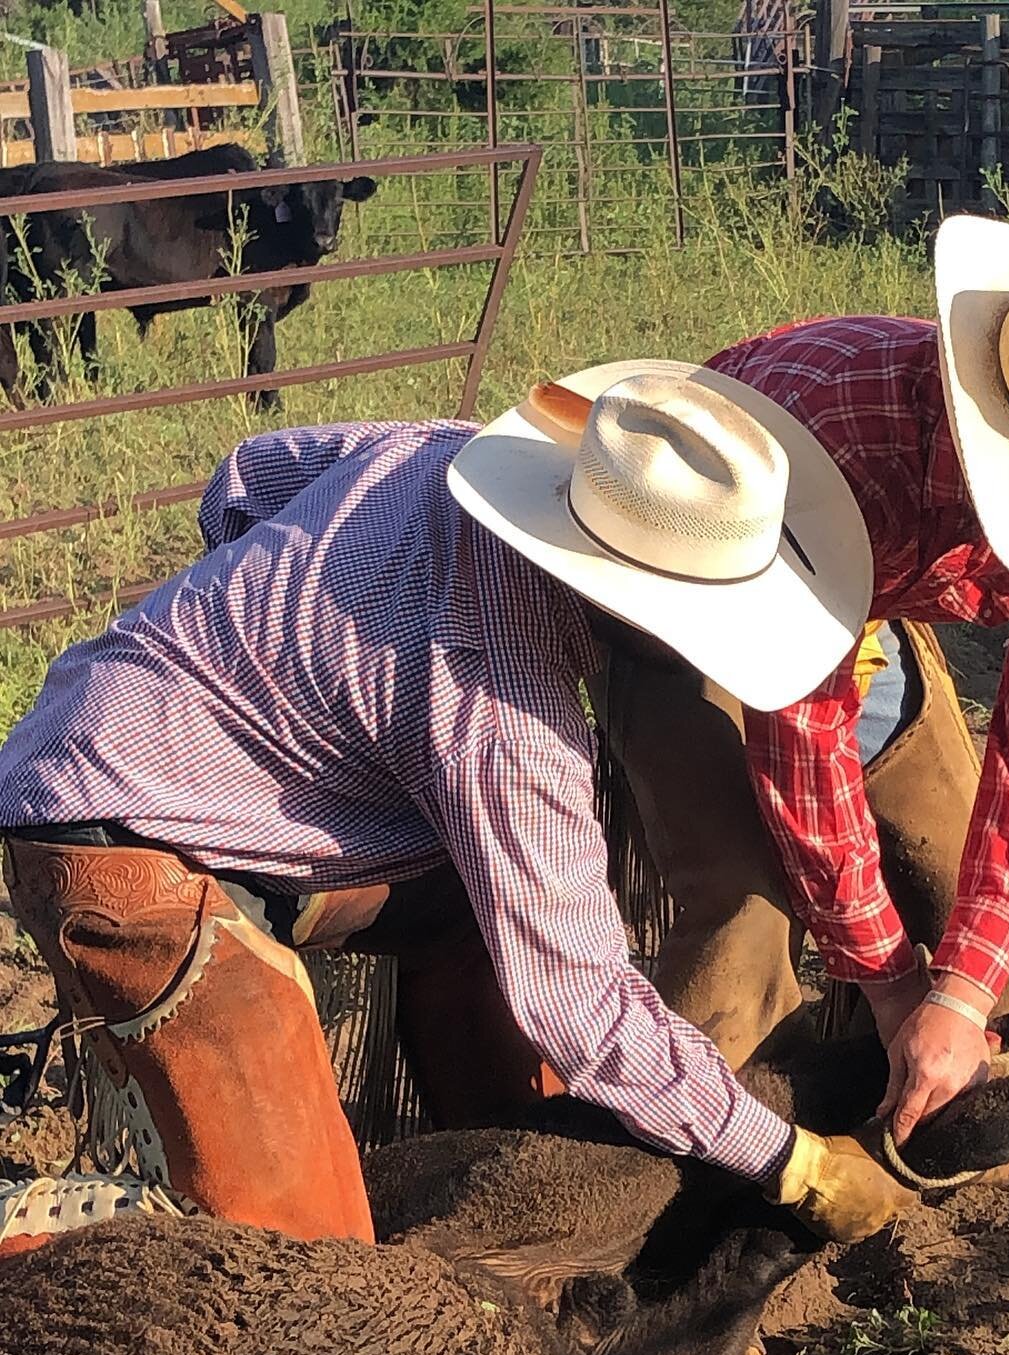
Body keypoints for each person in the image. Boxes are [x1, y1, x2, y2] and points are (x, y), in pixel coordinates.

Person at [0, 365, 916, 1251]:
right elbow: (585, 1006)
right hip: (118, 837)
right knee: (311, 1267)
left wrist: (272, 654)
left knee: (487, 915)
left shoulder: (445, 453)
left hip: (137, 741)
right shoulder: (503, 707)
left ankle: (495, 1165)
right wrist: (791, 1162)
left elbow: (249, 475)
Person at [584, 216, 1009, 1185]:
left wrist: (958, 987)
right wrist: (893, 978)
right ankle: (668, 1198)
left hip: (863, 613)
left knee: (967, 903)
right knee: (743, 930)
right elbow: (800, 729)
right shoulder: (849, 448)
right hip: (688, 597)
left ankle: (937, 1129)